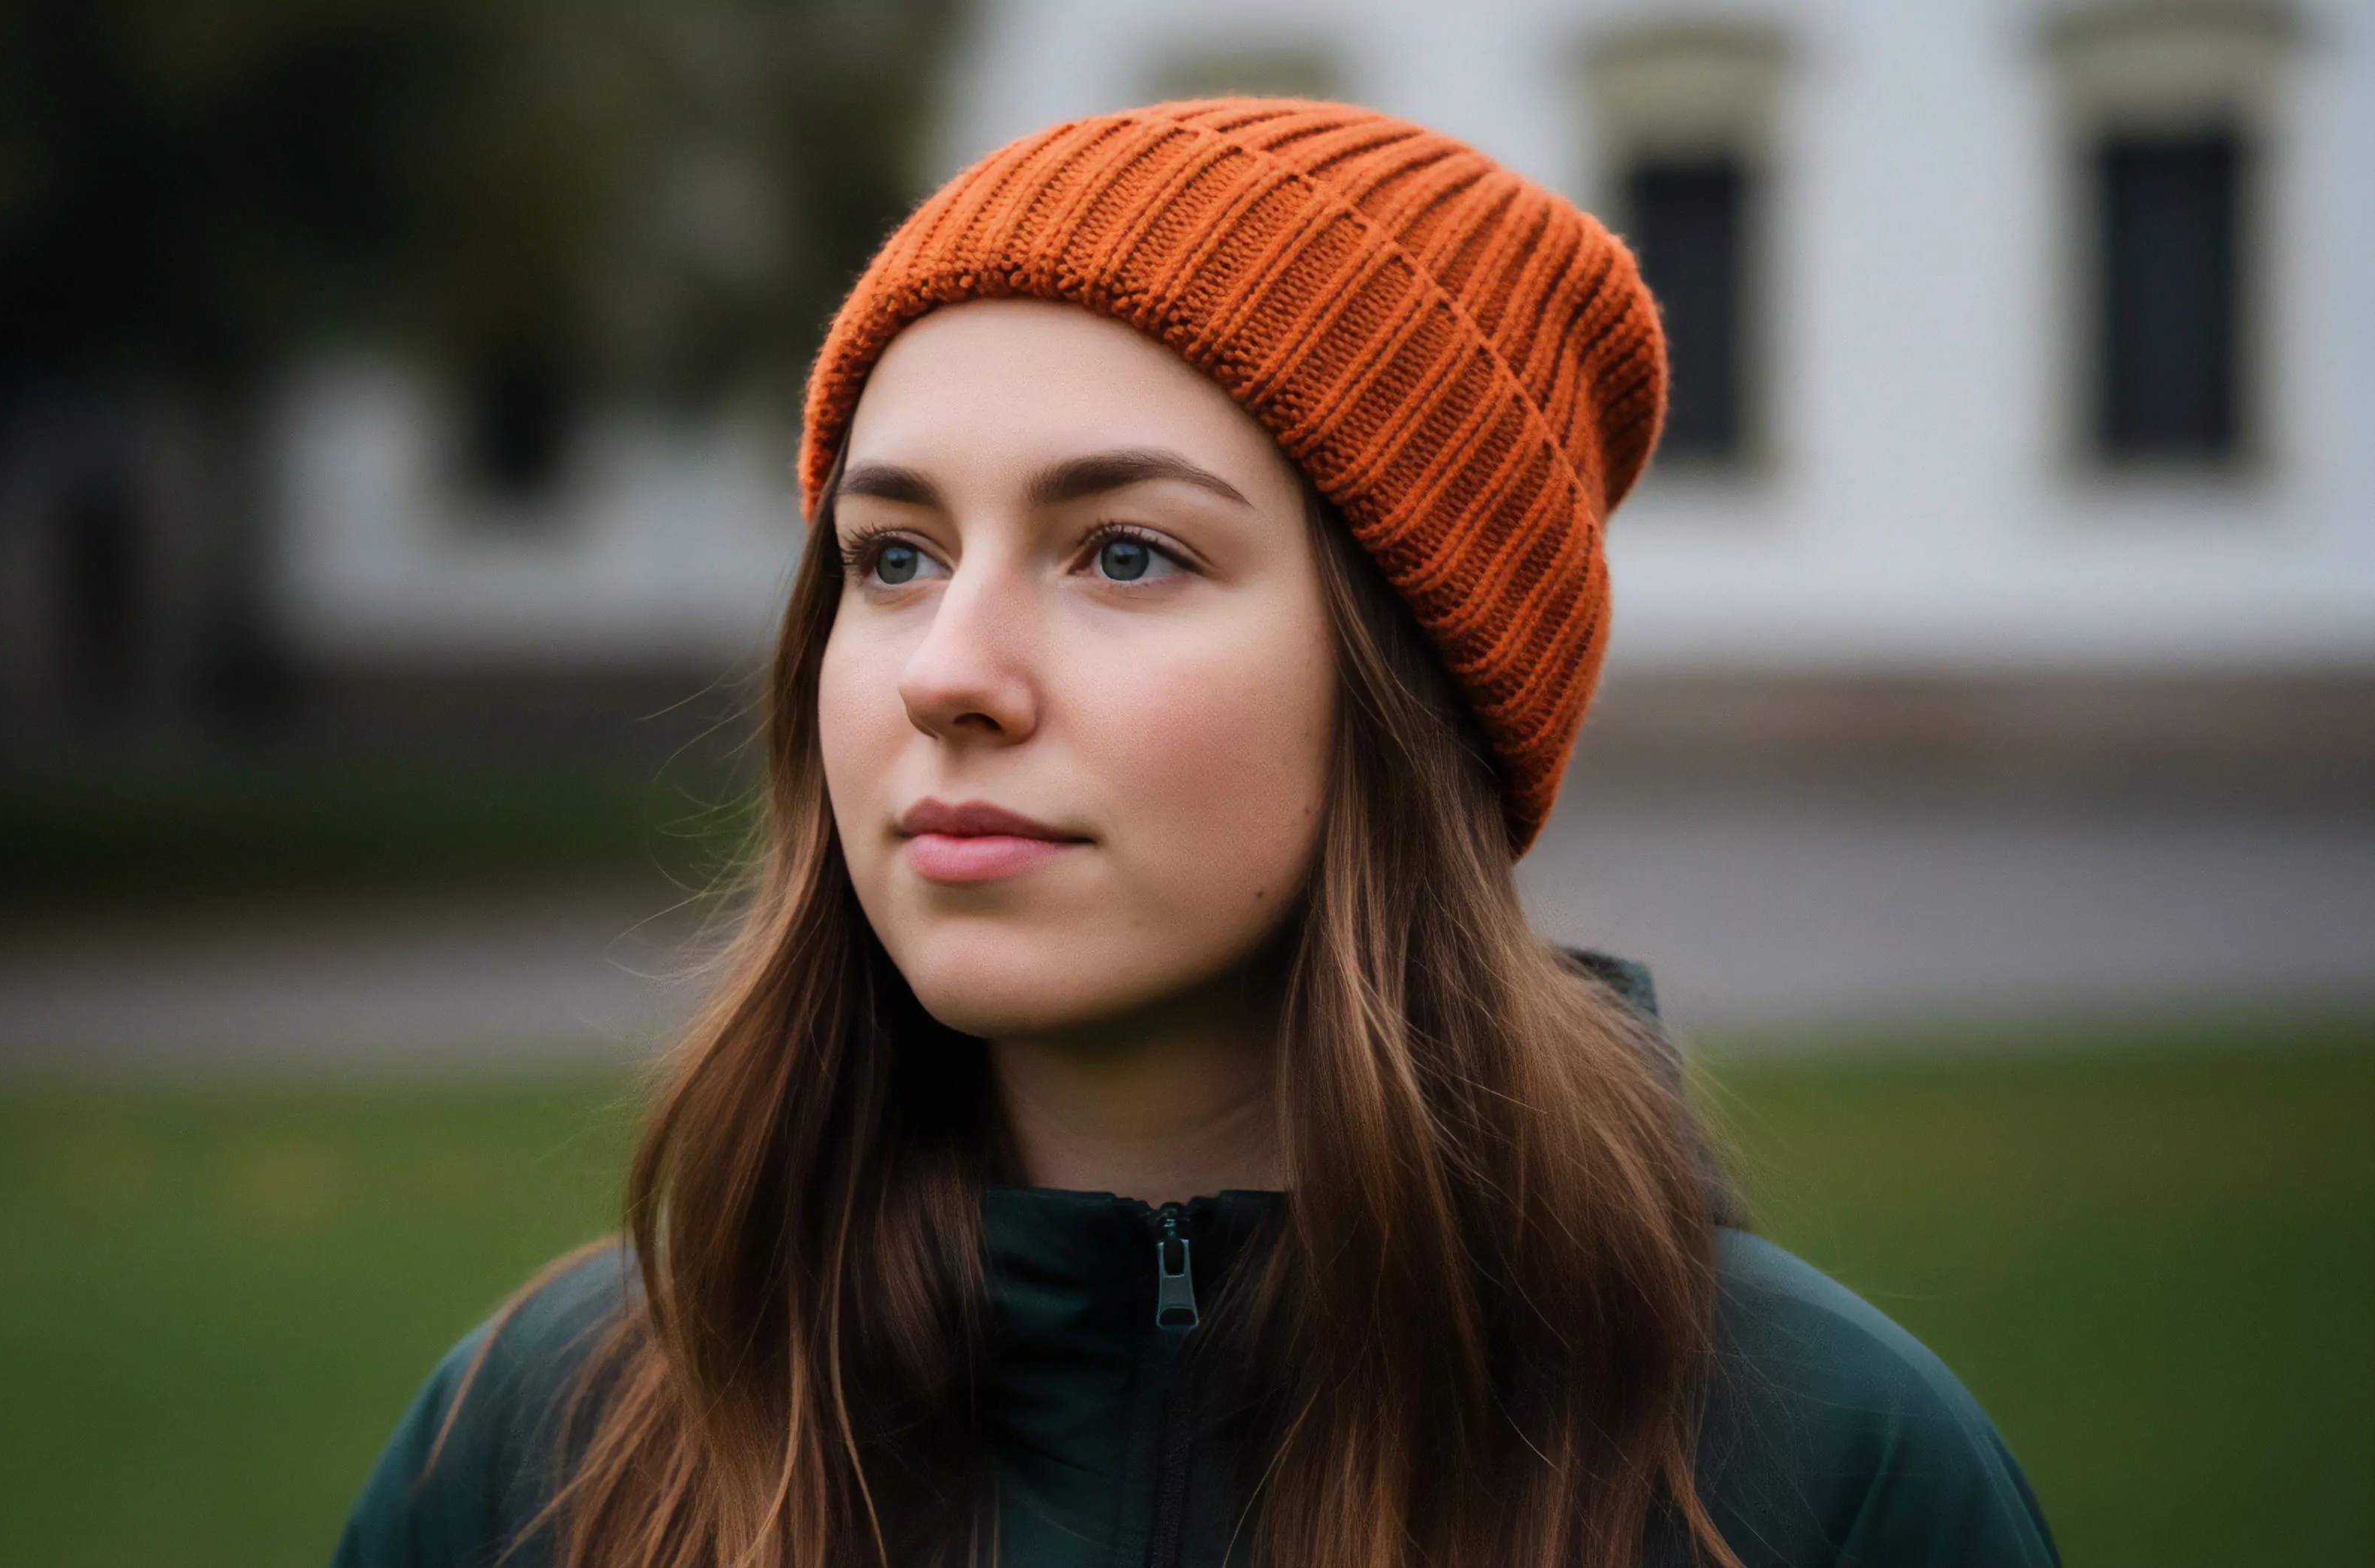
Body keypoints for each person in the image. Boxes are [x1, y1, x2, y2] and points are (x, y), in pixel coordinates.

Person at [332, 99, 2059, 1568]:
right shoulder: (543, 1450)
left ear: (1410, 685)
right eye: (893, 556)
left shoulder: (1817, 1476)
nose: (949, 674)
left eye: (1124, 554)